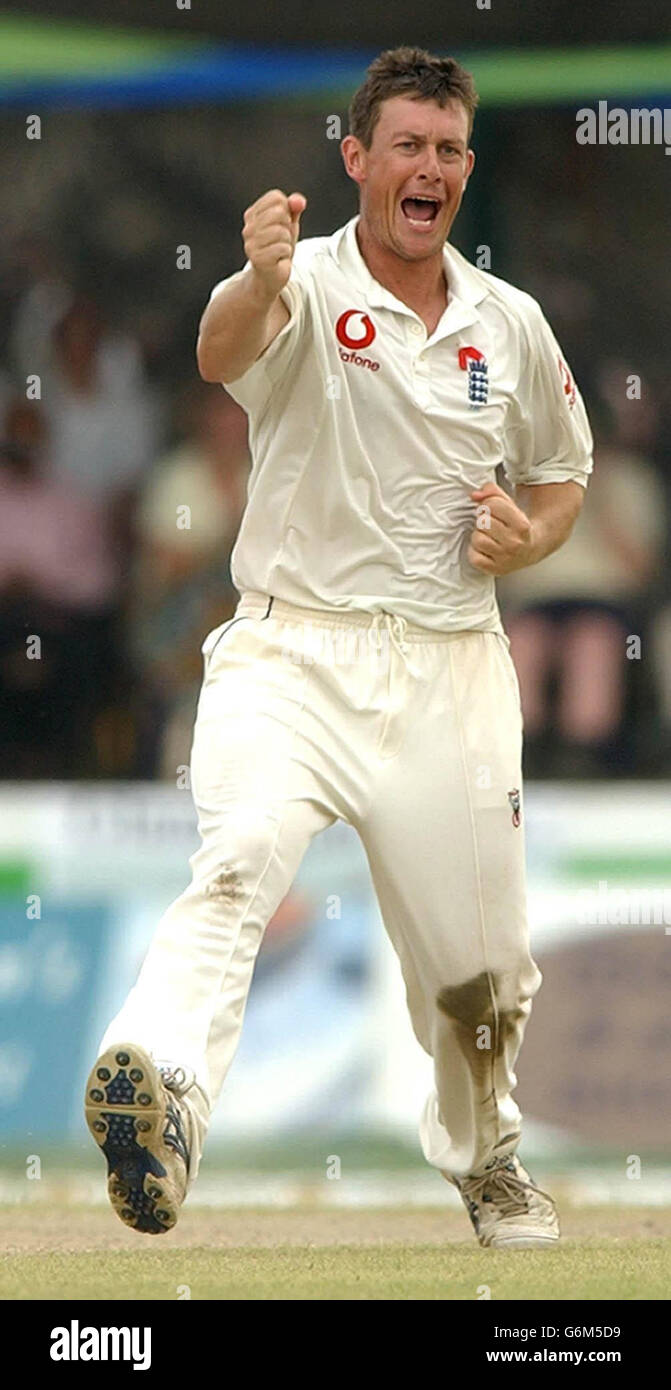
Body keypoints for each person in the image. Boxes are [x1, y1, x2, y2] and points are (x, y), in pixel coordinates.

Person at [85, 47, 592, 1250]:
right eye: (405, 146)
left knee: (482, 976)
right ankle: (163, 1092)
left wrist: (526, 539)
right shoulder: (297, 282)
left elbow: (560, 477)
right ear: (355, 157)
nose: (430, 168)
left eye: (448, 149)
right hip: (289, 652)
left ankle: (487, 1161)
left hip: (449, 671)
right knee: (239, 860)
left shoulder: (504, 321)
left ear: (465, 167)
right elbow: (220, 350)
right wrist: (254, 279)